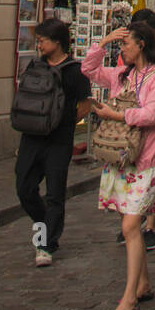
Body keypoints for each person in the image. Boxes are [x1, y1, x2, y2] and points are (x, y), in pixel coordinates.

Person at [83, 21, 155, 310]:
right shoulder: (122, 74)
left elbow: (153, 114)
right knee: (129, 225)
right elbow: (89, 69)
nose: (122, 49)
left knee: (131, 227)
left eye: (125, 44)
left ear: (141, 46)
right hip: (120, 156)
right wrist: (105, 40)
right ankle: (144, 283)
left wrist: (116, 114)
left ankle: (129, 296)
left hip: (145, 159)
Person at [14, 18, 92, 266]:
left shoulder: (75, 71)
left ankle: (45, 245)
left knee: (56, 193)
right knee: (25, 189)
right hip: (32, 138)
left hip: (59, 140)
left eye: (42, 40)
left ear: (57, 42)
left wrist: (65, 121)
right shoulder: (35, 66)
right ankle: (45, 227)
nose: (39, 45)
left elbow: (86, 104)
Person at [115, 9, 155, 252]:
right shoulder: (124, 62)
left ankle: (148, 227)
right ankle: (133, 228)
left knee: (149, 188)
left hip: (150, 140)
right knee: (128, 195)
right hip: (126, 139)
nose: (123, 48)